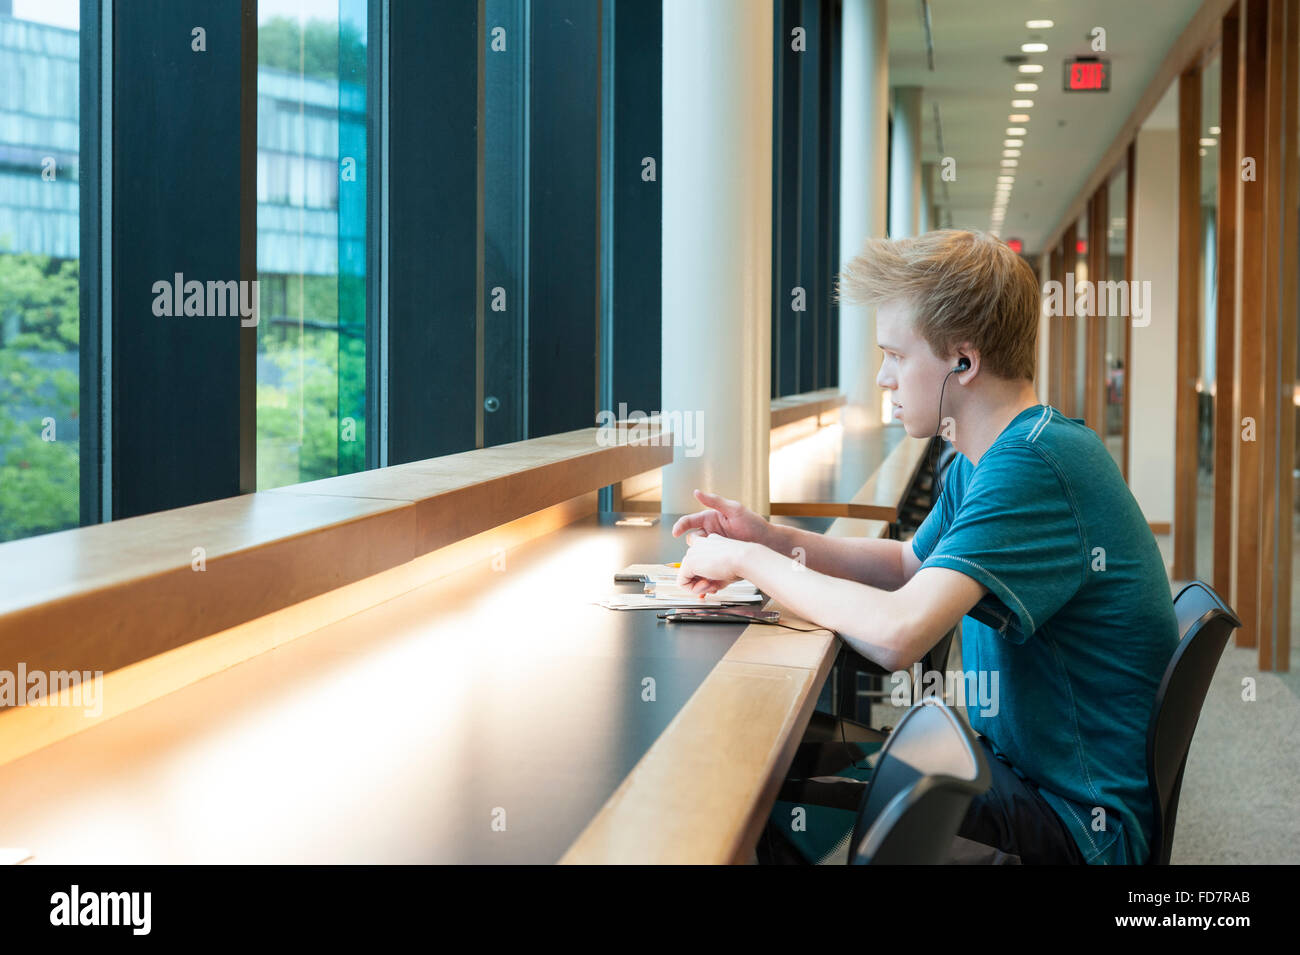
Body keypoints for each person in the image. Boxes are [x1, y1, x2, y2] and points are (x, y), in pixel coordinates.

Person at [671, 229, 1179, 865]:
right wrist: (768, 536)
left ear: (962, 363)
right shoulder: (989, 456)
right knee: (781, 766)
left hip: (1076, 826)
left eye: (893, 355)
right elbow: (909, 565)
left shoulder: (1033, 465)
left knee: (765, 781)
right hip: (1019, 772)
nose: (882, 377)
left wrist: (750, 563)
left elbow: (898, 634)